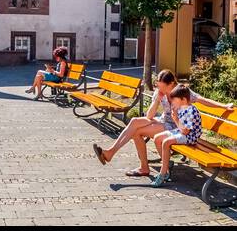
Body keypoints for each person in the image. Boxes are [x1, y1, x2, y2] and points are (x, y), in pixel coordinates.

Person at [94, 69, 231, 177]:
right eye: (158, 86)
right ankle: (112, 153)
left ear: (171, 84)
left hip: (176, 126)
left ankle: (142, 167)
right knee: (135, 121)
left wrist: (224, 106)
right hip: (163, 121)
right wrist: (157, 100)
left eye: (163, 87)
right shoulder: (159, 92)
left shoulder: (182, 92)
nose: (160, 90)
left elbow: (203, 100)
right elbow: (149, 116)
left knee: (136, 132)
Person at [150, 85, 204, 187]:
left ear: (183, 99)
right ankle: (166, 167)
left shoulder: (191, 110)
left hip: (191, 137)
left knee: (166, 142)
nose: (172, 102)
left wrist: (175, 118)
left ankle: (163, 173)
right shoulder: (182, 108)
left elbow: (185, 131)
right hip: (181, 131)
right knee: (157, 138)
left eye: (175, 99)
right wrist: (175, 118)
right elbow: (181, 128)